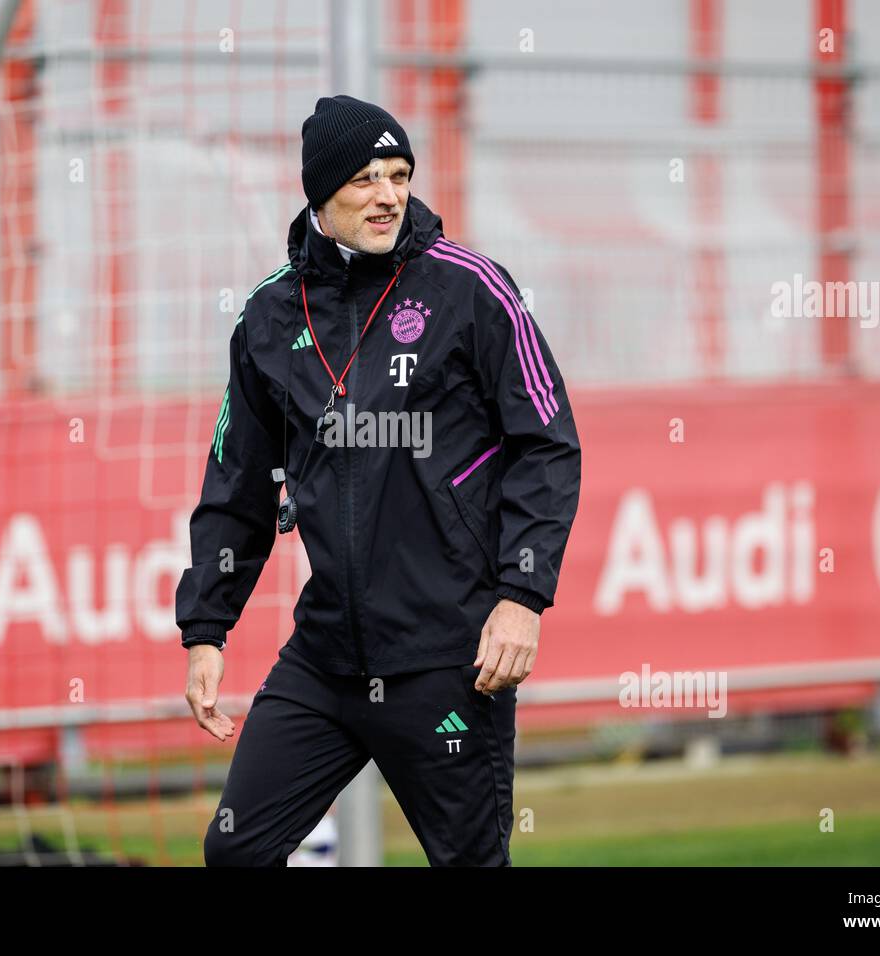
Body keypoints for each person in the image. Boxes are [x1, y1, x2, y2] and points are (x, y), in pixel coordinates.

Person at [176, 94, 581, 866]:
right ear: (320, 192)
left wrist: (521, 598)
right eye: (364, 178)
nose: (389, 195)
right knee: (236, 852)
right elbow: (237, 483)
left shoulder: (471, 287)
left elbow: (549, 443)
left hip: (448, 659)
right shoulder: (268, 316)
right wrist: (206, 626)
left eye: (399, 175)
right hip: (326, 660)